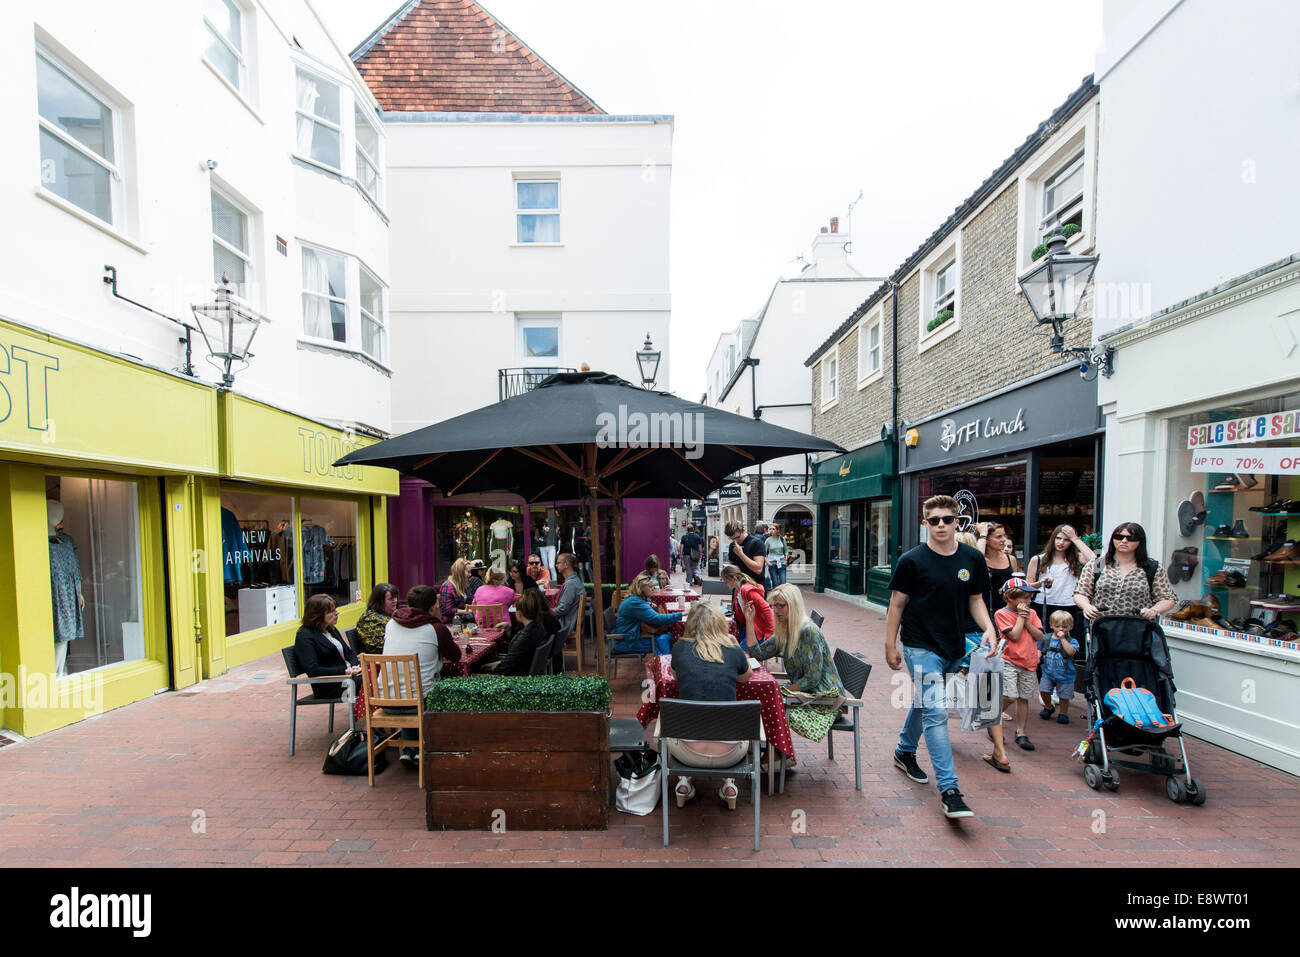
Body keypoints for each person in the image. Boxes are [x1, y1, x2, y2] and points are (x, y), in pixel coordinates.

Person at [885, 495, 995, 820]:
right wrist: (890, 644)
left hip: (953, 646)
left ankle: (905, 751)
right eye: (935, 521)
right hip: (919, 645)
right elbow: (896, 605)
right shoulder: (911, 561)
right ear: (925, 523)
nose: (942, 525)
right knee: (936, 713)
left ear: (958, 521)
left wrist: (989, 628)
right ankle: (950, 790)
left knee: (924, 703)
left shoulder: (973, 558)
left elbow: (975, 599)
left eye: (948, 519)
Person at [667, 602, 753, 810]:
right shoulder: (732, 649)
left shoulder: (679, 648)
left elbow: (676, 676)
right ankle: (729, 784)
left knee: (680, 721)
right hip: (730, 753)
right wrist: (732, 643)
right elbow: (745, 677)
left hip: (686, 751)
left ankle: (685, 781)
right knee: (727, 720)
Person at [382, 585, 462, 767]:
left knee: (410, 685)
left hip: (386, 700)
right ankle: (429, 746)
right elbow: (455, 656)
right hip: (421, 702)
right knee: (428, 689)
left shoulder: (391, 623)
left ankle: (410, 749)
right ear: (433, 606)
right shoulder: (435, 627)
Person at [748, 583, 844, 697]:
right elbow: (758, 654)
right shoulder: (786, 629)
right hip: (803, 694)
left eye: (780, 606)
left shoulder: (809, 631)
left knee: (763, 698)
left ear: (794, 606)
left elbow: (811, 679)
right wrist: (749, 621)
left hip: (823, 697)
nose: (776, 611)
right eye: (774, 606)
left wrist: (783, 691)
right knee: (759, 694)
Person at [1074, 522, 1177, 623]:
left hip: (1139, 628)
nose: (1124, 541)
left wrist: (1154, 611)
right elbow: (1080, 593)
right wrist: (1086, 606)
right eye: (1118, 537)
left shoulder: (1152, 567)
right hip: (1102, 628)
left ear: (1140, 541)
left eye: (1130, 538)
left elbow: (1167, 598)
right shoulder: (1097, 564)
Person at [992, 578, 1043, 753]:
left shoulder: (1033, 614)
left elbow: (1039, 636)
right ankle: (993, 718)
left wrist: (1027, 619)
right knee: (1010, 696)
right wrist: (1021, 618)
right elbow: (1013, 635)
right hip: (1010, 660)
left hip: (1029, 661)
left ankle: (1021, 732)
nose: (1029, 601)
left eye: (1030, 598)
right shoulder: (1001, 614)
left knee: (1023, 698)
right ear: (1011, 598)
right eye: (1025, 598)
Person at [1025, 524, 1095, 651]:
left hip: (1068, 605)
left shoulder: (1076, 558)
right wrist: (1041, 583)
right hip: (1043, 605)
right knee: (1041, 645)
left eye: (1066, 539)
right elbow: (1027, 587)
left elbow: (1094, 560)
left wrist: (1075, 539)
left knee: (1066, 646)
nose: (1061, 542)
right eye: (1058, 538)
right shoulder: (1038, 559)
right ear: (1053, 539)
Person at [294, 595, 362, 700]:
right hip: (330, 686)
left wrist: (354, 666)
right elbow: (313, 670)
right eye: (331, 611)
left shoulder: (331, 629)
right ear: (318, 615)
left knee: (380, 675)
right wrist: (344, 671)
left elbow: (349, 652)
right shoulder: (304, 636)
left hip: (347, 677)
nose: (337, 613)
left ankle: (381, 712)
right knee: (374, 681)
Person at [482, 589, 551, 676]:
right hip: (523, 668)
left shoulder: (526, 636)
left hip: (515, 675)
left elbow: (504, 668)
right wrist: (509, 630)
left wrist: (495, 665)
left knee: (476, 666)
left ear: (518, 614)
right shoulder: (537, 627)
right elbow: (517, 655)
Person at [613, 572, 683, 656]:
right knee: (664, 639)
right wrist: (681, 615)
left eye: (653, 586)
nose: (653, 588)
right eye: (650, 587)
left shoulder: (638, 599)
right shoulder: (635, 603)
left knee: (668, 636)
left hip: (631, 636)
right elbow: (656, 619)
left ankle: (663, 664)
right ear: (640, 588)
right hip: (625, 641)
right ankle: (664, 666)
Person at [1039, 610, 1080, 724]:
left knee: (1064, 696)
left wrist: (1062, 639)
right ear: (1051, 625)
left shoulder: (1072, 641)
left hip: (1065, 674)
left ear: (1070, 627)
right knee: (1044, 690)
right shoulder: (1046, 638)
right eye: (1057, 626)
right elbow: (1039, 650)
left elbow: (1071, 652)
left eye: (1064, 626)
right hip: (1048, 672)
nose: (1061, 629)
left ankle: (1063, 713)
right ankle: (1048, 707)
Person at [721, 564, 773, 649]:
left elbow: (766, 608)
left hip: (757, 629)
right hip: (747, 626)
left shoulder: (747, 591)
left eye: (726, 581)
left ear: (734, 578)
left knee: (741, 653)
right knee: (729, 646)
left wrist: (770, 632)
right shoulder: (737, 591)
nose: (725, 584)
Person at [551, 552, 585, 672]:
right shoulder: (574, 580)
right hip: (570, 621)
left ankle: (551, 666)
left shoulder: (571, 584)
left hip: (565, 624)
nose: (556, 565)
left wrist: (546, 612)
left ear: (566, 565)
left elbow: (562, 609)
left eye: (559, 562)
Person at [974, 523, 1015, 614]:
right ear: (986, 540)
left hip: (1006, 610)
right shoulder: (980, 559)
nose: (1004, 540)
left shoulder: (1010, 559)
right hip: (984, 608)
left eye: (1004, 536)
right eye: (999, 537)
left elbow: (1015, 586)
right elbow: (977, 559)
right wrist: (983, 534)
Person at [354, 582, 399, 655]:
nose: (395, 601)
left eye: (395, 597)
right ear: (379, 602)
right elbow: (377, 648)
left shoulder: (391, 614)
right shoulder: (369, 619)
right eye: (391, 599)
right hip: (379, 660)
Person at [725, 520, 767, 590]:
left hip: (754, 586)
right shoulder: (732, 545)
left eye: (737, 537)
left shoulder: (757, 543)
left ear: (743, 530)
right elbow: (733, 566)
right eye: (732, 539)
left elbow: (758, 569)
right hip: (739, 586)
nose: (736, 541)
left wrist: (741, 554)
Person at [764, 522, 787, 589]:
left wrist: (785, 561)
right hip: (772, 563)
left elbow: (786, 551)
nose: (771, 530)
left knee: (783, 583)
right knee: (775, 583)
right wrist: (768, 562)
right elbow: (763, 553)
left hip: (781, 562)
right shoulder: (768, 540)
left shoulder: (782, 539)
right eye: (770, 529)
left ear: (777, 530)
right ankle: (776, 598)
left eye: (773, 529)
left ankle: (784, 598)